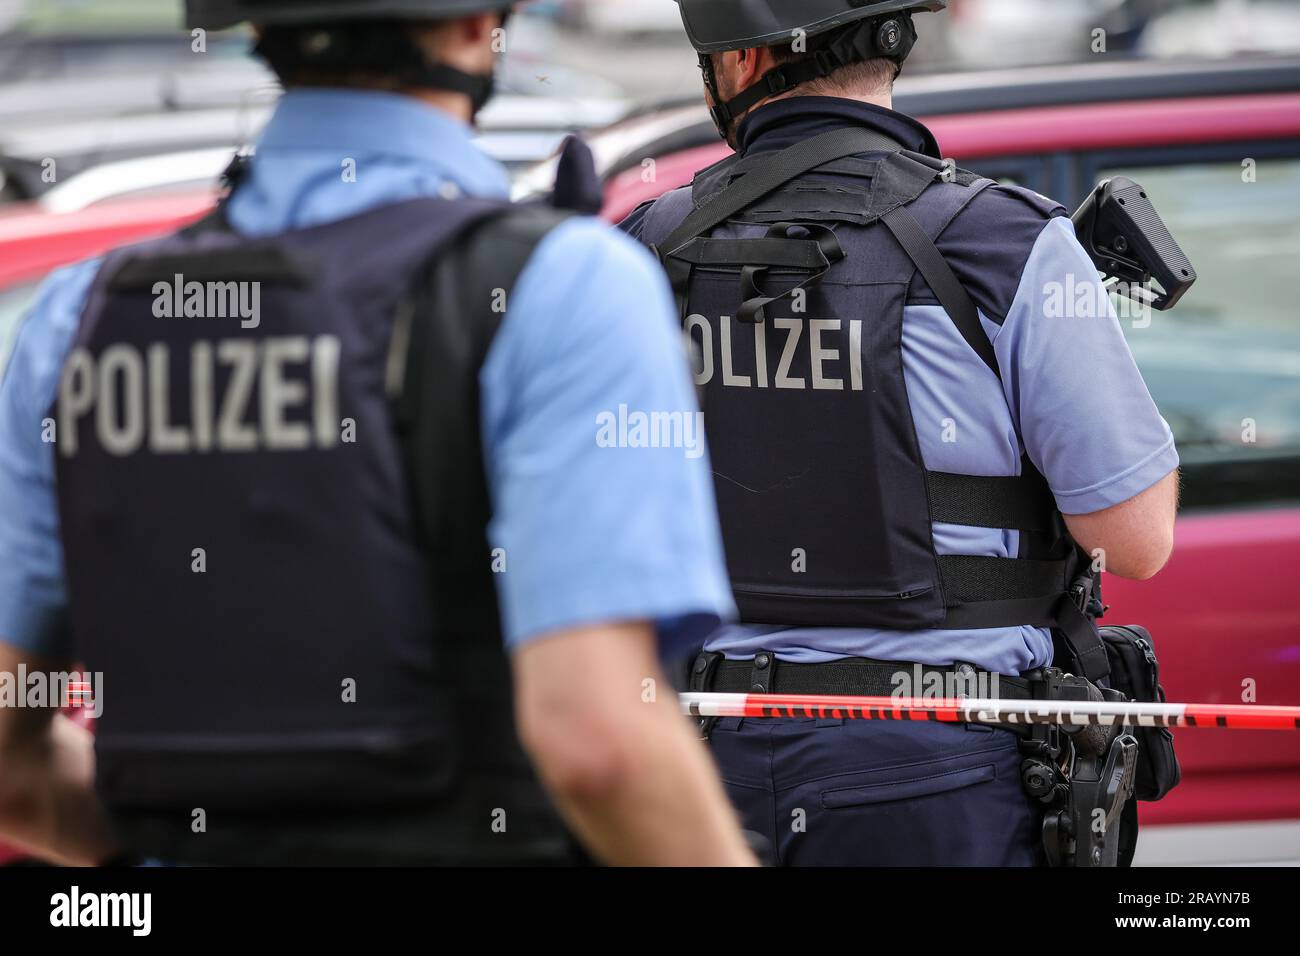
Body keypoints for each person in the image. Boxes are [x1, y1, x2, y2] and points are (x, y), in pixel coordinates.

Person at [0, 0, 754, 867]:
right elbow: (600, 741)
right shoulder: (563, 285)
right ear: (477, 27)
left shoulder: (77, 317)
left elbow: (11, 764)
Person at [623, 0, 1179, 865]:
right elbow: (1134, 541)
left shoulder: (639, 250)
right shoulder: (1006, 241)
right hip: (938, 764)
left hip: (700, 757)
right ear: (896, 44)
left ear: (740, 65)